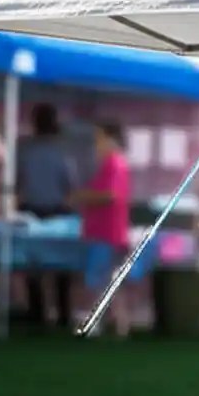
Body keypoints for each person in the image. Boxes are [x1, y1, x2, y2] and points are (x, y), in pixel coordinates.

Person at [17, 104, 78, 330]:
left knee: (33, 264)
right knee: (62, 266)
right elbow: (70, 185)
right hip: (57, 212)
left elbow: (17, 183)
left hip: (31, 211)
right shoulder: (62, 152)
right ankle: (63, 313)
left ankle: (37, 313)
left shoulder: (25, 151)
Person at [70, 122, 133, 338]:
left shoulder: (115, 164)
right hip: (104, 232)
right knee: (108, 280)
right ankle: (118, 324)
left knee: (99, 279)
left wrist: (82, 197)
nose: (96, 144)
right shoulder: (110, 164)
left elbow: (110, 195)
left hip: (107, 233)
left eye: (99, 139)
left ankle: (97, 321)